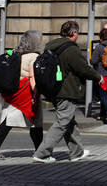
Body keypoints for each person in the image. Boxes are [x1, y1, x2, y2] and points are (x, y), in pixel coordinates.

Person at [32, 20, 102, 163]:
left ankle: (77, 152)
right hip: (66, 91)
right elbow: (83, 68)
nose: (78, 35)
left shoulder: (52, 46)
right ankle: (42, 154)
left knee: (69, 121)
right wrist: (98, 77)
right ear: (74, 33)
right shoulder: (70, 49)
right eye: (78, 33)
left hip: (53, 89)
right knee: (62, 122)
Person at [0, 30, 44, 159]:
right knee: (36, 124)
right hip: (26, 94)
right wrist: (37, 94)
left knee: (7, 122)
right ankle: (39, 152)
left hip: (13, 92)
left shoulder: (15, 53)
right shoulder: (34, 56)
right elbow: (32, 77)